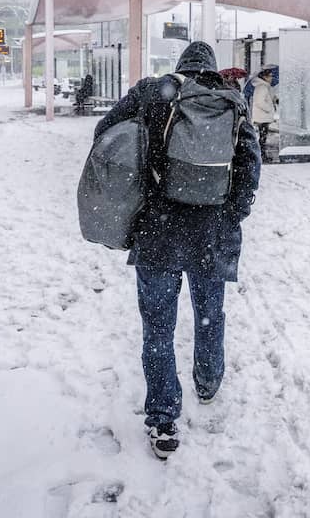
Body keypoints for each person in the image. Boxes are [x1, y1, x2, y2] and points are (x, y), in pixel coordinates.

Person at [91, 42, 261, 460]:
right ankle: (207, 381)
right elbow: (250, 167)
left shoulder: (153, 92)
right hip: (211, 234)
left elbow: (106, 132)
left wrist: (138, 186)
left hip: (159, 233)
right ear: (213, 70)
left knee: (158, 328)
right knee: (210, 313)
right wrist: (229, 214)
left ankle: (164, 419)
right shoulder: (233, 104)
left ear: (181, 67)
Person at [248, 66, 277, 157]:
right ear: (264, 77)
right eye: (270, 76)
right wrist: (269, 108)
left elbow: (264, 99)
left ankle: (262, 155)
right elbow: (259, 102)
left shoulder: (264, 87)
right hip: (262, 117)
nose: (271, 78)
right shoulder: (262, 87)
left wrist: (273, 99)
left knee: (262, 137)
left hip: (262, 117)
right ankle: (262, 155)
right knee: (262, 138)